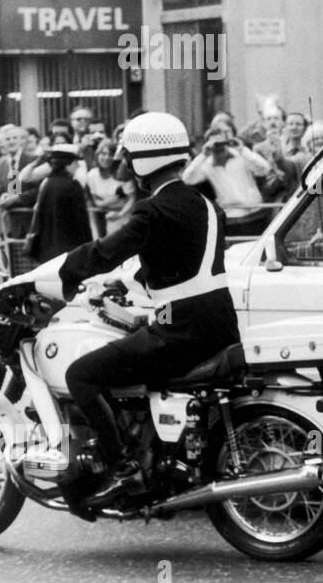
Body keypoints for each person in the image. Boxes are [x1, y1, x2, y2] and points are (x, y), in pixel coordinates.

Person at [58, 112, 242, 507]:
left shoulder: (152, 209)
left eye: (128, 156)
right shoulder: (204, 204)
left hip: (180, 329)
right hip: (220, 324)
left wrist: (67, 270)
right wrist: (123, 283)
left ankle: (124, 471)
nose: (124, 163)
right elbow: (177, 260)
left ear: (143, 160)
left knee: (82, 375)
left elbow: (107, 251)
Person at [182, 128, 272, 237]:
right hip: (231, 218)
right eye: (215, 144)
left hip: (255, 214)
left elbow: (265, 168)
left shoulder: (241, 157)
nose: (218, 148)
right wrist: (203, 155)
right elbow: (186, 179)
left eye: (221, 143)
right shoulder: (206, 165)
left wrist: (243, 149)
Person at [24, 142, 92, 262]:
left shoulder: (46, 183)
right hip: (71, 251)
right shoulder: (73, 185)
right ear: (67, 164)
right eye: (75, 162)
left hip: (47, 250)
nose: (78, 166)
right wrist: (88, 247)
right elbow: (81, 221)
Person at [85, 138, 136, 236]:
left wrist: (119, 214)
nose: (107, 158)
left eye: (110, 154)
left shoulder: (122, 174)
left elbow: (132, 199)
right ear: (97, 155)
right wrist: (111, 200)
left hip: (122, 216)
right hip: (102, 218)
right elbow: (95, 200)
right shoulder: (92, 175)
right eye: (103, 154)